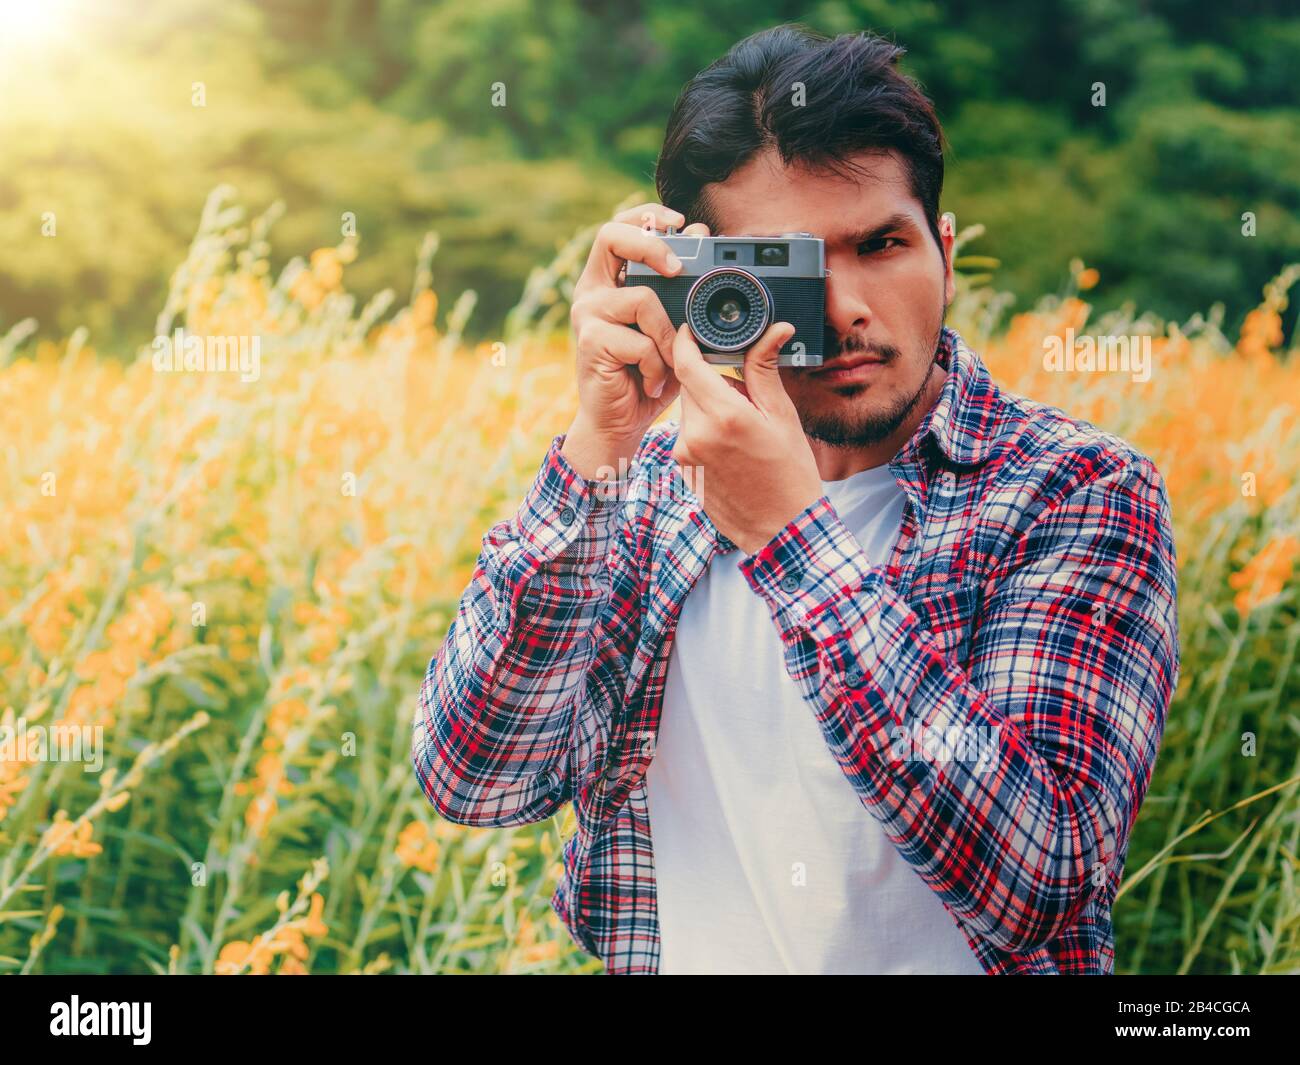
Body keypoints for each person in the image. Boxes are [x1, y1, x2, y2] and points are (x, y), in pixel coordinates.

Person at [413, 23, 1180, 975]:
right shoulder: (649, 488)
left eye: (881, 245)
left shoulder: (1074, 491)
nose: (851, 306)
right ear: (702, 285)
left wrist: (789, 535)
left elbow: (1041, 877)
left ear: (942, 250)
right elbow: (472, 778)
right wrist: (599, 442)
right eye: (794, 268)